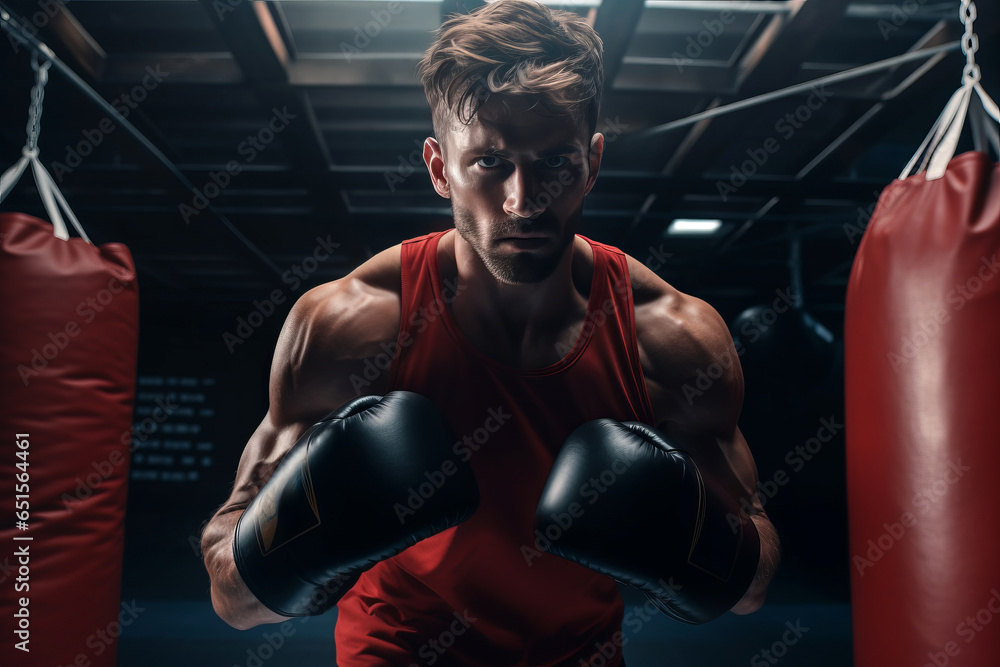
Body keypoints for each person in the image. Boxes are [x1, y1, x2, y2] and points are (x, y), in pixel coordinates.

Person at [200, 0, 779, 664]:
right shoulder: (349, 324)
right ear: (438, 167)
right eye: (490, 162)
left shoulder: (671, 338)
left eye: (554, 162)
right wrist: (297, 550)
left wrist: (697, 543)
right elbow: (231, 597)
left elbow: (753, 583)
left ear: (592, 162)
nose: (522, 200)